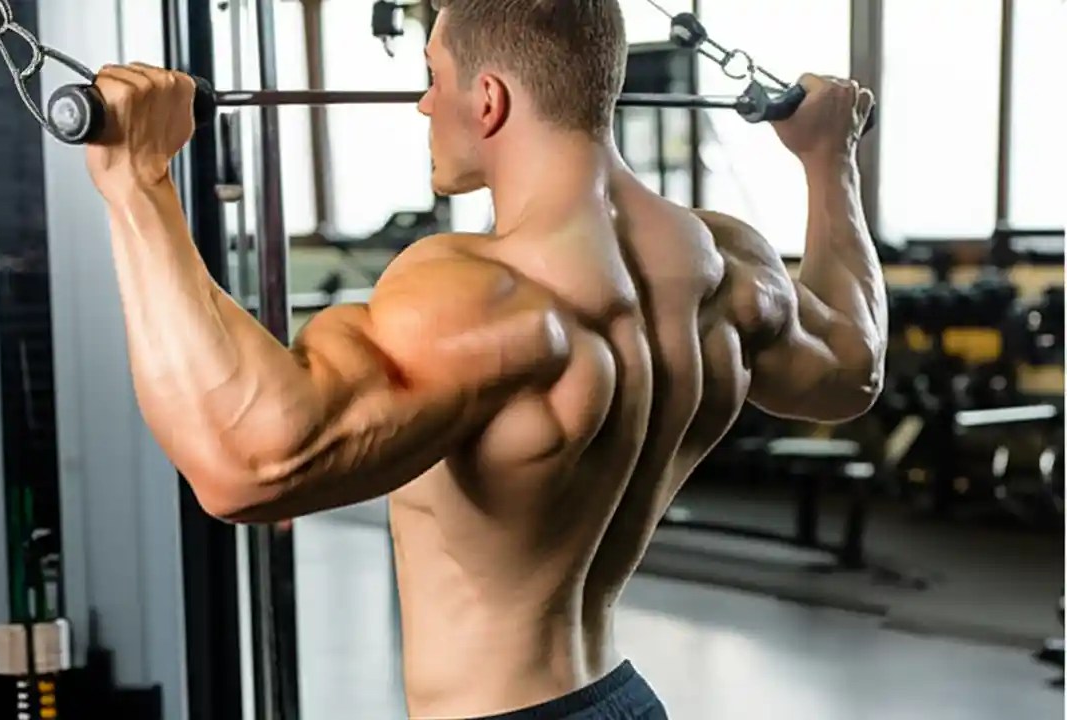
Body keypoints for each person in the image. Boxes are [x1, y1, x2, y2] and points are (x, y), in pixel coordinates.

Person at [83, 0, 884, 717]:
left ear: (490, 98)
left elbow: (249, 465)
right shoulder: (727, 267)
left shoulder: (480, 294)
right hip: (621, 701)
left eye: (434, 77)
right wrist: (829, 161)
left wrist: (137, 184)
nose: (425, 104)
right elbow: (854, 367)